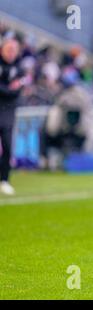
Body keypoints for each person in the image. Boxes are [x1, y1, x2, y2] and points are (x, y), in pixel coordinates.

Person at [39, 66, 93, 170]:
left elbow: (52, 126)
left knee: (43, 131)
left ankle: (45, 161)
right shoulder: (84, 96)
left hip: (64, 135)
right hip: (80, 135)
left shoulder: (62, 97)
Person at [0, 38, 24, 195]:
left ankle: (5, 180)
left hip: (8, 112)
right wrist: (9, 89)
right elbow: (10, 90)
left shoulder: (18, 68)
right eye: (8, 49)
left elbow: (18, 90)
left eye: (14, 50)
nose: (11, 53)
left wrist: (8, 90)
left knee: (8, 146)